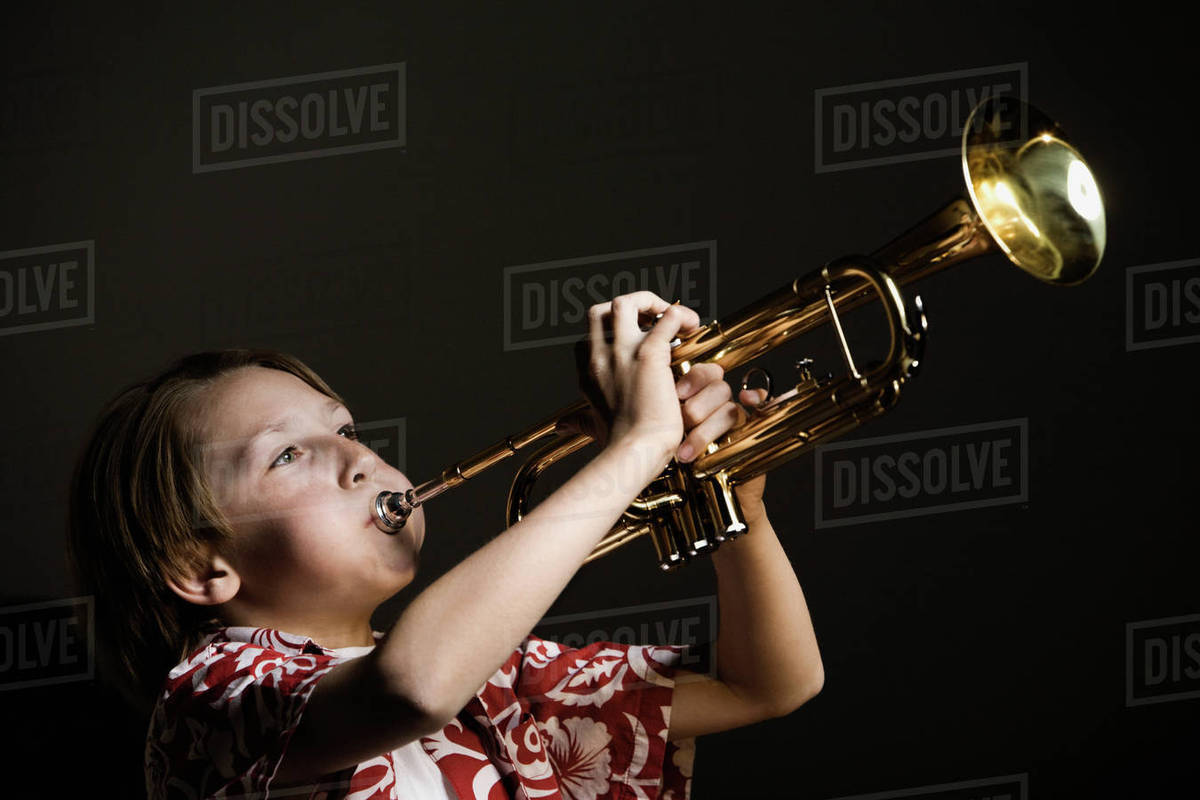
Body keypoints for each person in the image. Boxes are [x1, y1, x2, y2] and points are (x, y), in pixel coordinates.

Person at [65, 291, 824, 799]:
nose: (358, 458)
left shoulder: (497, 678)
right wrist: (637, 446)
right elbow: (413, 689)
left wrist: (732, 495)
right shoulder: (208, 697)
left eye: (344, 430)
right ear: (200, 567)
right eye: (285, 455)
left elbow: (765, 687)